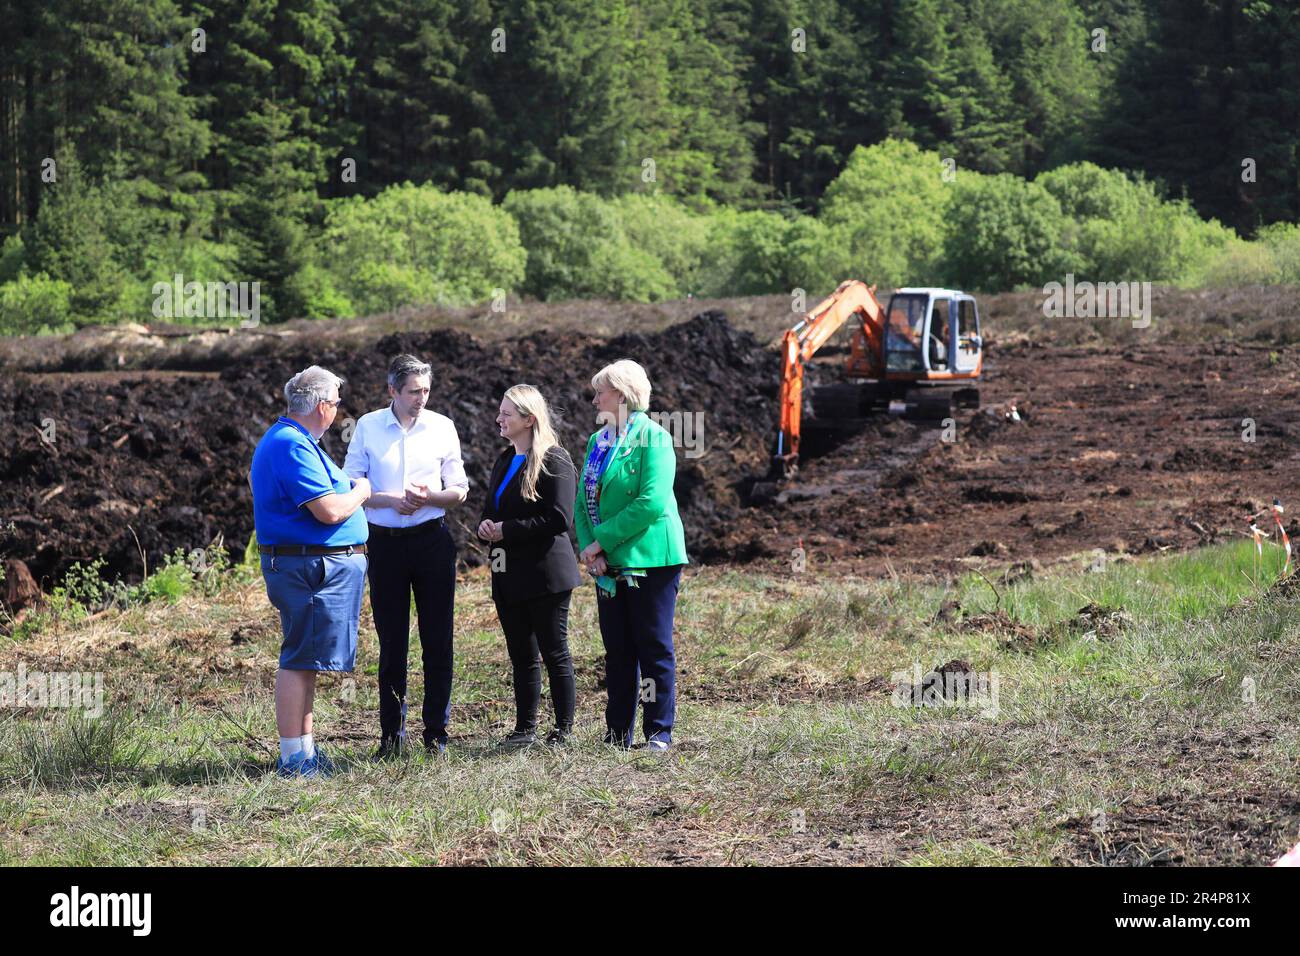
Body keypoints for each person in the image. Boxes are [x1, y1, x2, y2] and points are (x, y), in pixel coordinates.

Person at [343, 354, 469, 758]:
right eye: (413, 391)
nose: (421, 398)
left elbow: (459, 489)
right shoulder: (367, 426)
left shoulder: (442, 427)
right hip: (385, 543)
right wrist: (389, 501)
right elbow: (352, 484)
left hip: (432, 540)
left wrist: (429, 497)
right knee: (392, 642)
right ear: (392, 391)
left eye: (426, 390)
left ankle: (436, 734)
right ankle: (391, 736)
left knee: (438, 640)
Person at [249, 365, 370, 778]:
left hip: (311, 565)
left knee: (307, 657)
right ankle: (292, 759)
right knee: (300, 657)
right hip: (308, 567)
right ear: (321, 406)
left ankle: (304, 751)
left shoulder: (297, 441)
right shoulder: (291, 445)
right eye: (335, 404)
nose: (338, 412)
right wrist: (362, 492)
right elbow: (329, 510)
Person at [574, 360, 688, 752]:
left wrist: (601, 541)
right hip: (607, 563)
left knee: (652, 647)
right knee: (618, 650)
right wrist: (593, 551)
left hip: (651, 560)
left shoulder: (654, 439)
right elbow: (582, 502)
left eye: (600, 393)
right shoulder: (598, 441)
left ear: (621, 395)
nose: (594, 400)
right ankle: (616, 733)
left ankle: (658, 733)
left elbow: (650, 503)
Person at [477, 385, 583, 749]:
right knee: (521, 655)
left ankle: (564, 729)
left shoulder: (556, 459)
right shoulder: (505, 458)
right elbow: (492, 509)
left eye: (507, 413)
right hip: (507, 574)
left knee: (554, 651)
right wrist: (485, 527)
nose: (499, 418)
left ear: (529, 419)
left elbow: (558, 519)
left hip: (545, 575)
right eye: (500, 411)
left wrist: (507, 530)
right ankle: (525, 729)